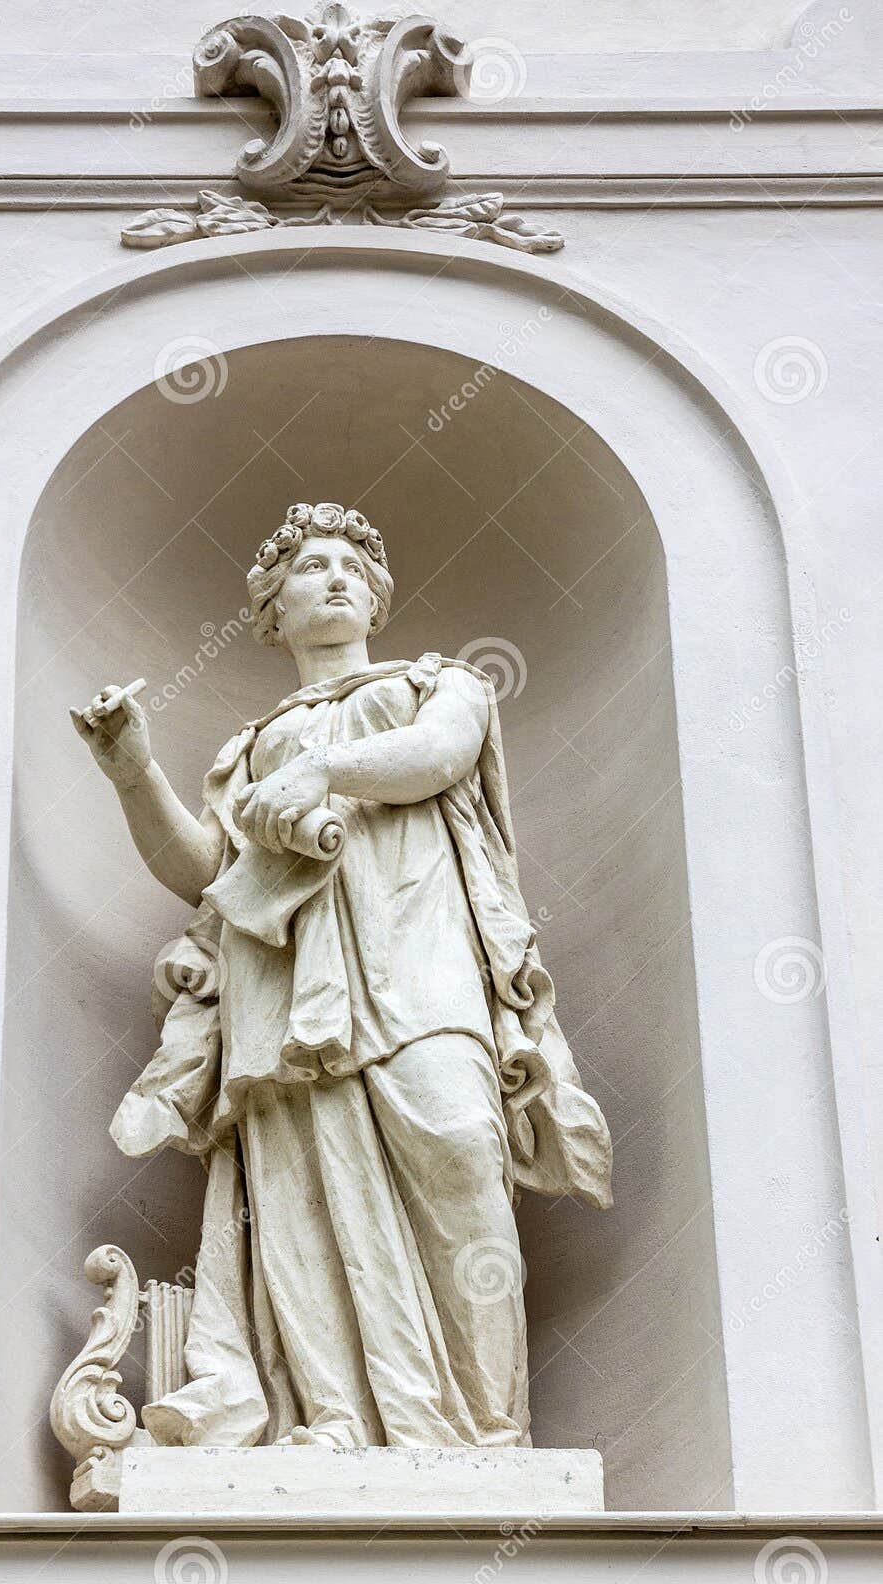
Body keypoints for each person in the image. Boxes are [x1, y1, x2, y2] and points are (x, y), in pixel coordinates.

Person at [72, 501, 611, 1449]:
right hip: (282, 983)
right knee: (305, 1201)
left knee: (457, 1145)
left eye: (352, 569)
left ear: (376, 600)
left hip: (420, 956)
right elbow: (208, 872)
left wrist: (322, 772)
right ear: (271, 611)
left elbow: (435, 758)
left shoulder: (439, 684)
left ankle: (487, 1429)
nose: (334, 579)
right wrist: (132, 775)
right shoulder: (248, 747)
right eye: (309, 567)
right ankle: (335, 1419)